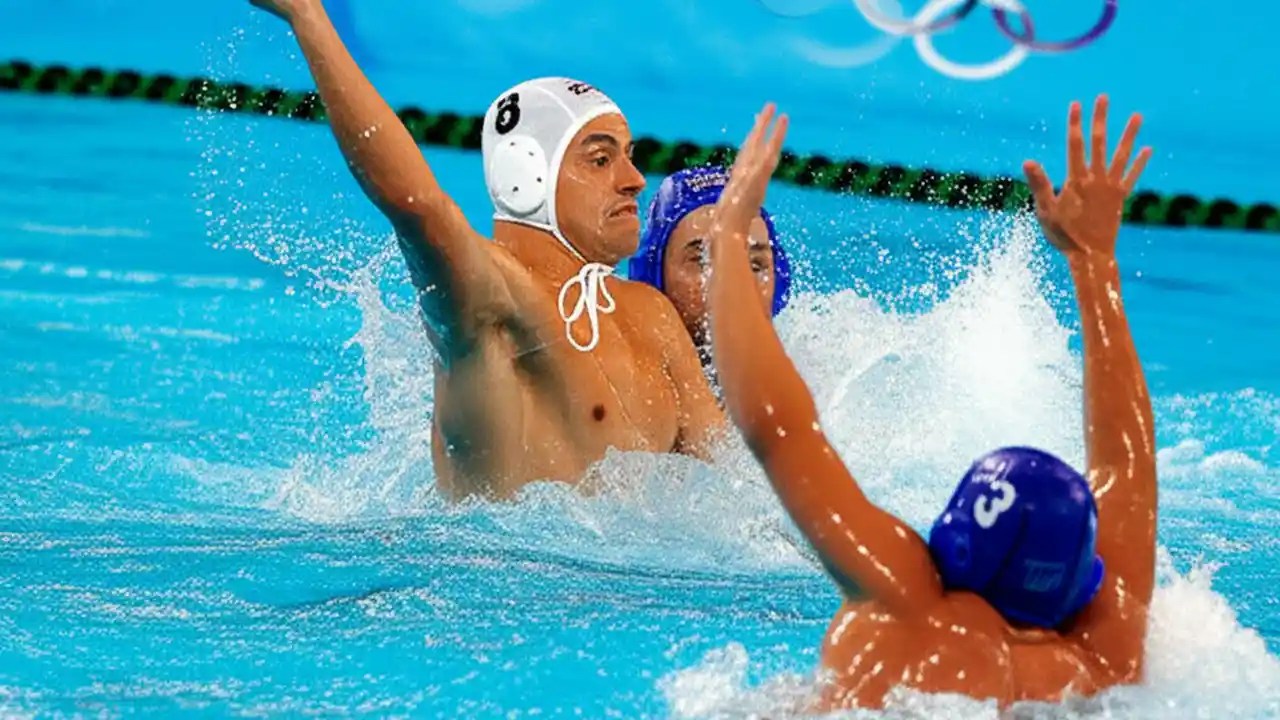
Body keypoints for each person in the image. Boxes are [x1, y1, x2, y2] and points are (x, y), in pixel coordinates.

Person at [706, 97, 1156, 710]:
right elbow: (1126, 464)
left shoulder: (906, 612)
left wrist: (730, 236)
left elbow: (777, 427)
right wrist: (1095, 262)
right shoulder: (1107, 652)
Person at [251, 0, 725, 499]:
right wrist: (308, 17)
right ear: (526, 176)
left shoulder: (652, 316)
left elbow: (737, 490)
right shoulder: (491, 304)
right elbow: (417, 207)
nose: (633, 181)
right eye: (601, 159)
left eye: (629, 159)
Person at [627, 166, 793, 375]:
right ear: (654, 280)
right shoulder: (617, 382)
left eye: (755, 265)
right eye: (703, 260)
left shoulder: (820, 375)